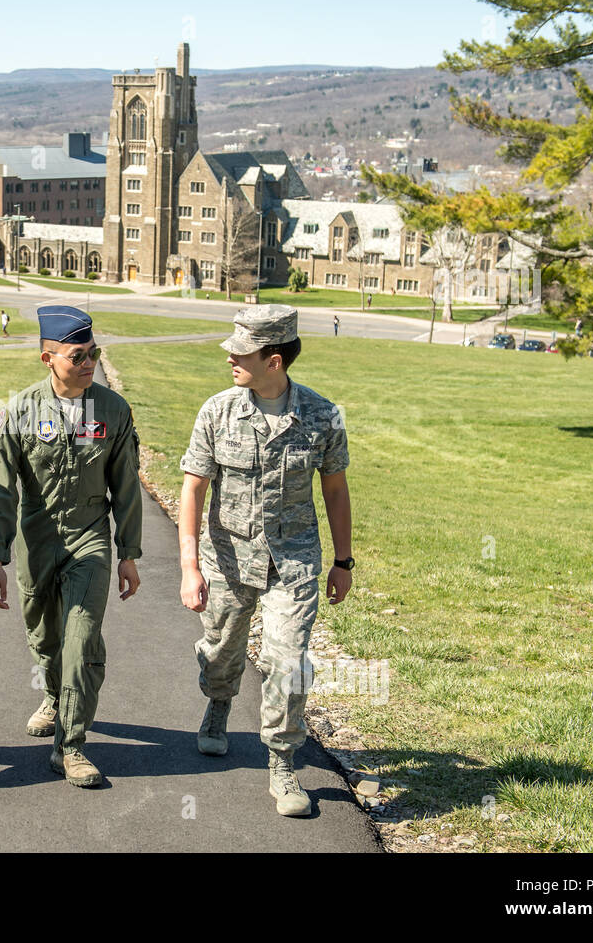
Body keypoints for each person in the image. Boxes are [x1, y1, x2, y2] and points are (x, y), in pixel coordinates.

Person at [177, 304, 353, 817]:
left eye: (242, 350)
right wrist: (190, 567)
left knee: (289, 660)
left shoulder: (322, 415)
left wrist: (344, 561)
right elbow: (192, 490)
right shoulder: (217, 411)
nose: (230, 355)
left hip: (293, 561)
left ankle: (281, 759)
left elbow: (336, 491)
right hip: (228, 558)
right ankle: (218, 702)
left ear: (273, 360)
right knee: (221, 648)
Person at [0, 305, 143, 788]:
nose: (89, 362)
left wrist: (129, 554)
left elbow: (126, 487)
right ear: (47, 358)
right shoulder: (21, 410)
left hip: (89, 540)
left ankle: (71, 746)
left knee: (81, 640)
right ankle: (55, 697)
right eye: (78, 356)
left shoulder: (113, 410)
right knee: (46, 639)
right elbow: (1, 489)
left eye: (94, 353)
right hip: (37, 541)